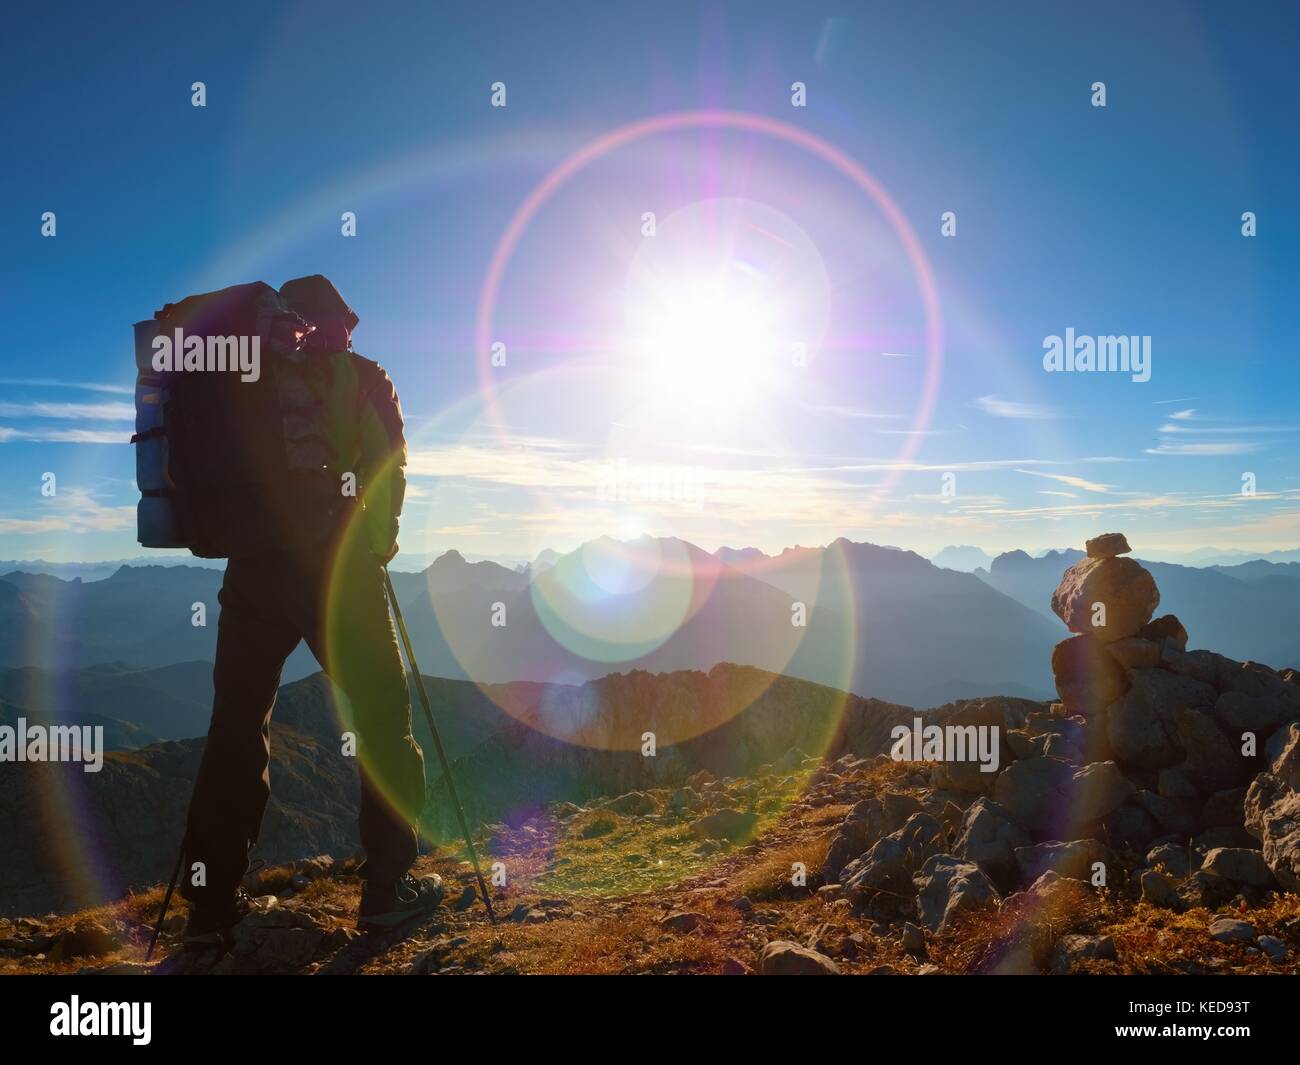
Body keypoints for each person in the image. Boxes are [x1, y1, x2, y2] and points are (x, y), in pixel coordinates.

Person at [181, 275, 440, 946]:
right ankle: (388, 888)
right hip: (334, 570)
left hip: (252, 570)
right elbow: (387, 468)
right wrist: (374, 548)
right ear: (339, 322)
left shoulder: (249, 379)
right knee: (382, 713)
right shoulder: (362, 375)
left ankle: (209, 899)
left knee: (237, 726)